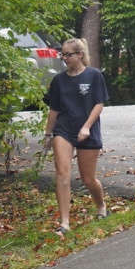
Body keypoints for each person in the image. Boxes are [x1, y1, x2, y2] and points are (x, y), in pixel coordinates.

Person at [42, 38, 109, 235]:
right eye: (62, 54)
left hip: (87, 130)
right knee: (62, 174)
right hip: (63, 130)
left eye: (68, 54)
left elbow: (99, 104)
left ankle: (101, 206)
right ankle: (64, 223)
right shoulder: (58, 81)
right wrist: (48, 133)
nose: (64, 58)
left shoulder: (94, 75)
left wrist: (86, 127)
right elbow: (54, 110)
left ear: (80, 55)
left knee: (88, 179)